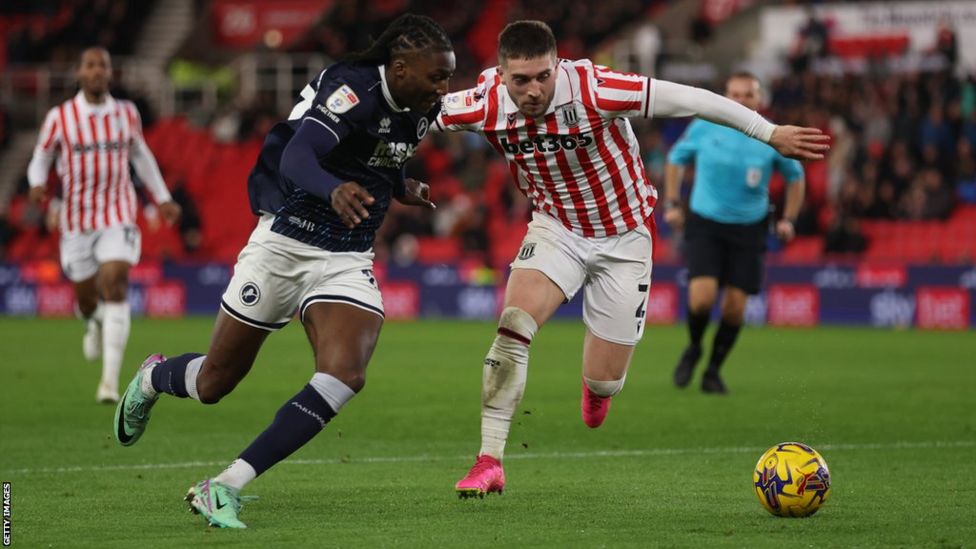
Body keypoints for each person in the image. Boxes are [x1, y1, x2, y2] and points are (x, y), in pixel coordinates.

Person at [433, 21, 828, 498]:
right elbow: (404, 115)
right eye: (521, 80)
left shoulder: (597, 88)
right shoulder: (481, 104)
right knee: (512, 326)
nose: (534, 90)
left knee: (605, 382)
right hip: (556, 228)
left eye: (543, 76)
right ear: (501, 74)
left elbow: (695, 99)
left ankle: (597, 390)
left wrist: (769, 133)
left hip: (625, 239)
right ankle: (488, 461)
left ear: (557, 65)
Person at [112, 14, 455, 528]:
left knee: (345, 375)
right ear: (400, 68)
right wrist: (332, 189)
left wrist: (403, 187)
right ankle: (154, 377)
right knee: (213, 383)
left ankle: (224, 484)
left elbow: (385, 154)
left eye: (448, 76)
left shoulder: (421, 105)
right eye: (436, 76)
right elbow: (298, 156)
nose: (443, 87)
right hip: (285, 244)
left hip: (347, 257)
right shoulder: (351, 87)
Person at [27, 47, 181, 404]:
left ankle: (109, 382)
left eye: (103, 66)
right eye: (90, 66)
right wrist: (37, 184)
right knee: (85, 301)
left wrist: (162, 197)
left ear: (110, 74)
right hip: (77, 220)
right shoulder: (60, 117)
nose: (97, 72)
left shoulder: (126, 113)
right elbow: (41, 157)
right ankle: (91, 321)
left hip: (118, 213)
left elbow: (140, 155)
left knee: (115, 280)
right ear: (79, 74)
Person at [664, 72, 806, 395]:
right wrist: (672, 202)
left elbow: (796, 175)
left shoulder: (770, 134)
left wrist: (789, 219)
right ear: (725, 96)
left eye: (748, 95)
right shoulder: (704, 125)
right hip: (706, 222)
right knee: (701, 299)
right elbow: (675, 159)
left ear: (759, 100)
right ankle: (694, 347)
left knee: (735, 308)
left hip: (749, 229)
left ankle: (713, 370)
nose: (740, 101)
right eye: (735, 94)